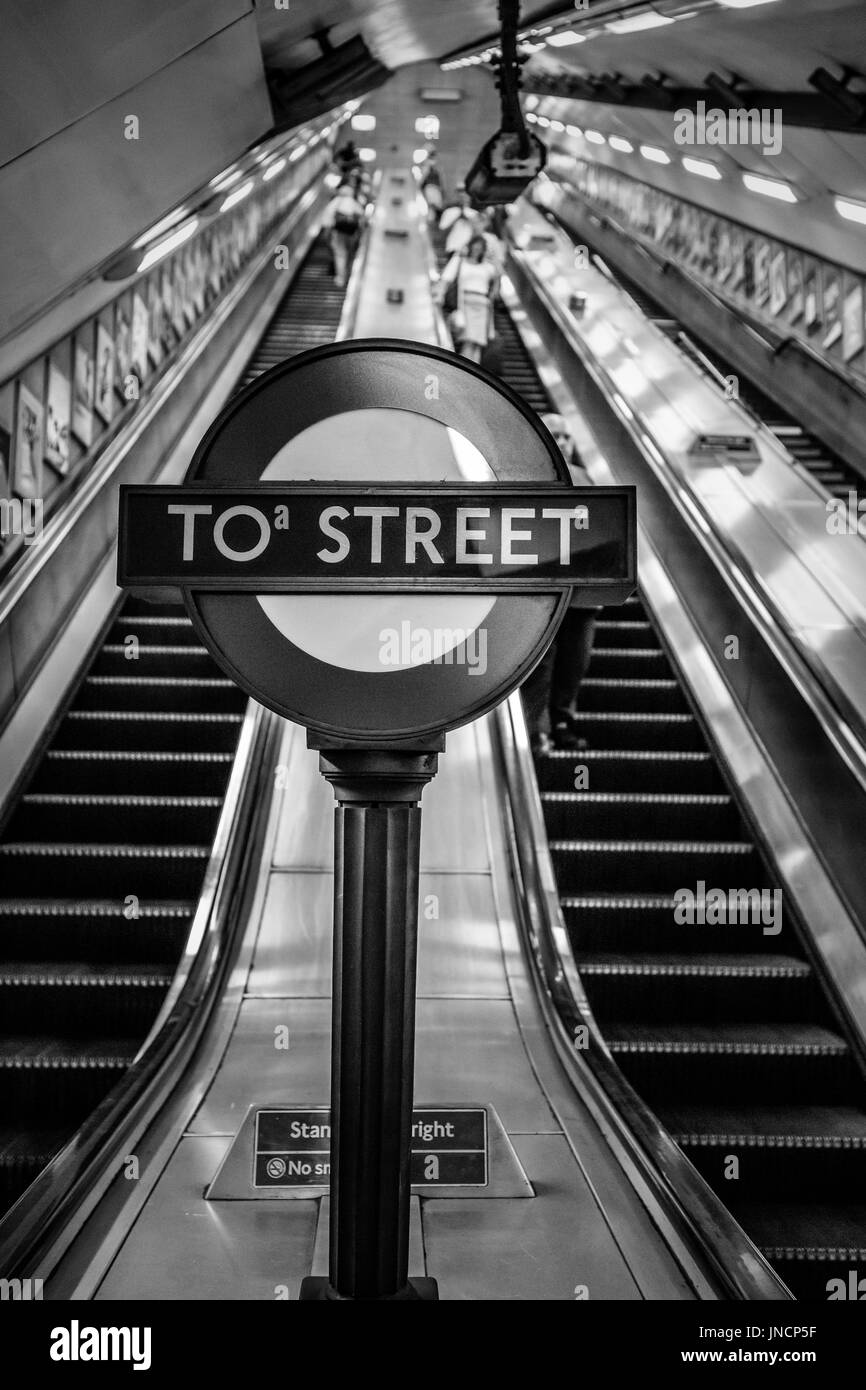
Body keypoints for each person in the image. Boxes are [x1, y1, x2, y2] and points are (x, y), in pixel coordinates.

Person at [522, 414, 601, 757]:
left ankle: (562, 722)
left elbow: (601, 528)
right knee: (540, 660)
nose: (564, 442)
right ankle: (535, 731)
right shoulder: (526, 475)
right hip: (541, 589)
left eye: (568, 436)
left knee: (575, 658)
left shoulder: (585, 477)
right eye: (556, 435)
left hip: (582, 591)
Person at [438, 234, 497, 364]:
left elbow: (495, 284)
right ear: (469, 247)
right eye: (475, 247)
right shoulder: (459, 261)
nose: (477, 250)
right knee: (469, 340)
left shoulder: (488, 266)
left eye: (480, 248)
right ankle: (466, 372)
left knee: (477, 343)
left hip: (482, 305)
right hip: (465, 303)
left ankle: (472, 372)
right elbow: (447, 278)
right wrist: (440, 294)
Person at [322, 181, 364, 288]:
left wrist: (327, 235)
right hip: (352, 233)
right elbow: (362, 217)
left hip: (338, 233)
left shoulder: (335, 203)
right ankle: (350, 275)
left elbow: (327, 221)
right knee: (350, 254)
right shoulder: (354, 203)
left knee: (340, 255)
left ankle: (341, 279)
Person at [438, 189, 479, 257]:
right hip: (452, 249)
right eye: (461, 196)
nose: (463, 198)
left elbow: (478, 235)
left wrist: (470, 222)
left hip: (469, 251)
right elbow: (442, 233)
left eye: (466, 195)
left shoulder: (475, 214)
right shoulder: (448, 212)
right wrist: (457, 218)